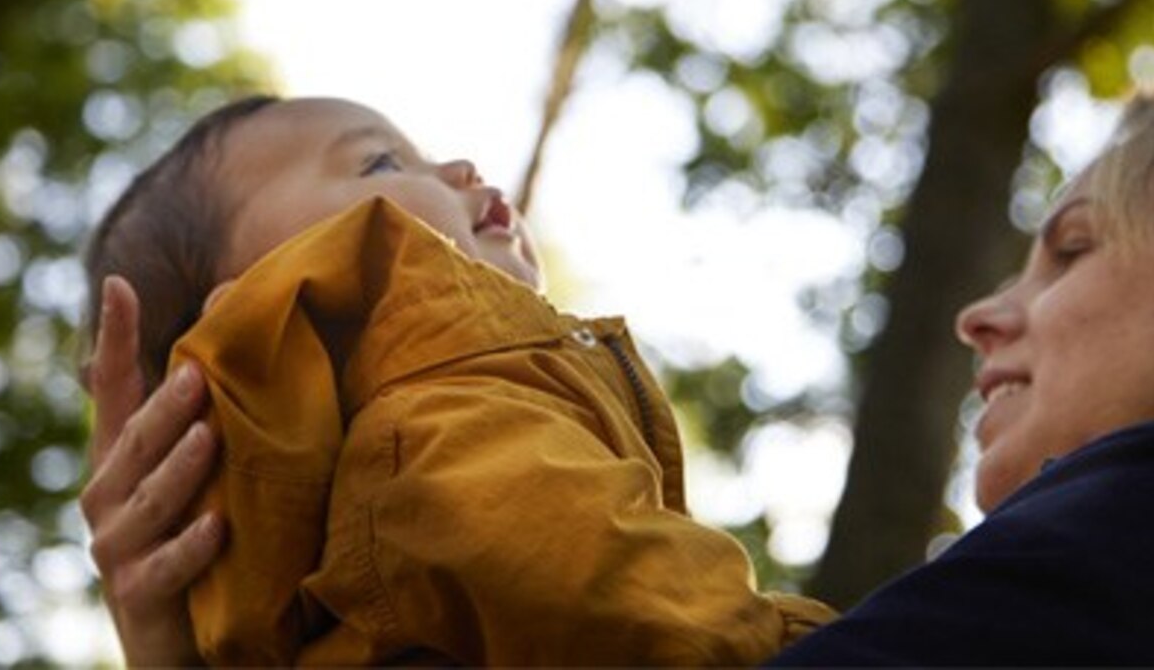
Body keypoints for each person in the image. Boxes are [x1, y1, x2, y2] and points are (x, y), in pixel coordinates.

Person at [81, 78, 1154, 666]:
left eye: (1073, 249)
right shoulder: (435, 418)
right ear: (265, 303)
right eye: (381, 165)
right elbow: (616, 596)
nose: (979, 316)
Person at [79, 96, 836, 667]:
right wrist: (804, 637)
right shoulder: (426, 433)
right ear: (258, 315)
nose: (461, 167)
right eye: (380, 164)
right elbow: (629, 606)